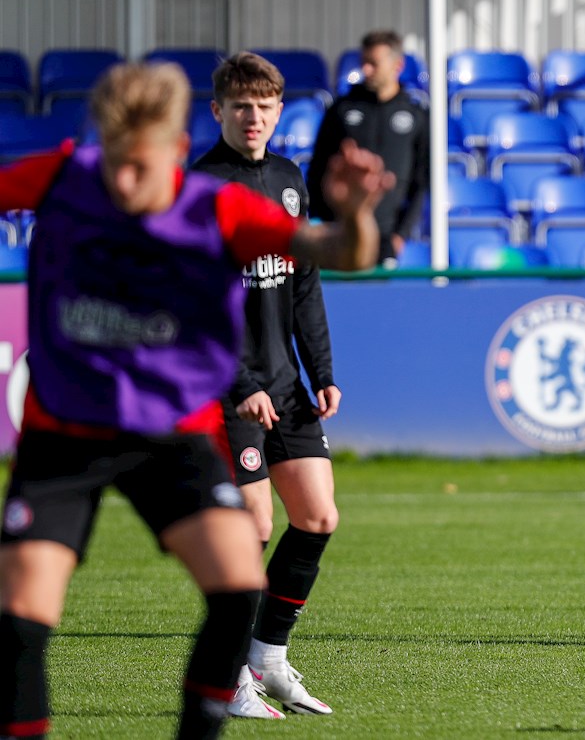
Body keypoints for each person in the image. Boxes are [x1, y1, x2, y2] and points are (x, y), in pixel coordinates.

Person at [0, 62, 391, 740]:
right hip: (63, 433)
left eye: (140, 168)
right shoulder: (63, 176)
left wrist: (357, 214)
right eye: (114, 164)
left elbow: (338, 252)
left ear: (176, 154)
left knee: (239, 587)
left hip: (170, 434)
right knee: (21, 617)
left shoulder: (215, 206)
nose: (123, 183)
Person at [191, 52, 338, 720]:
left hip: (287, 385)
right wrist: (242, 381)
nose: (253, 118)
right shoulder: (198, 189)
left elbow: (304, 282)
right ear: (218, 110)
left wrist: (324, 373)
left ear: (280, 112)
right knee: (251, 527)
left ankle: (268, 658)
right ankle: (226, 681)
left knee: (317, 518)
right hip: (228, 388)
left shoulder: (287, 178)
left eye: (265, 107)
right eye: (241, 107)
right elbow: (195, 304)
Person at [307, 29, 429, 267]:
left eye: (373, 63)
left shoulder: (417, 116)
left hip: (386, 239)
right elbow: (318, 169)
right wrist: (322, 220)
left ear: (398, 66)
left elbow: (421, 182)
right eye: (363, 63)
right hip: (342, 233)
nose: (366, 70)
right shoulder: (341, 110)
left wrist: (400, 235)